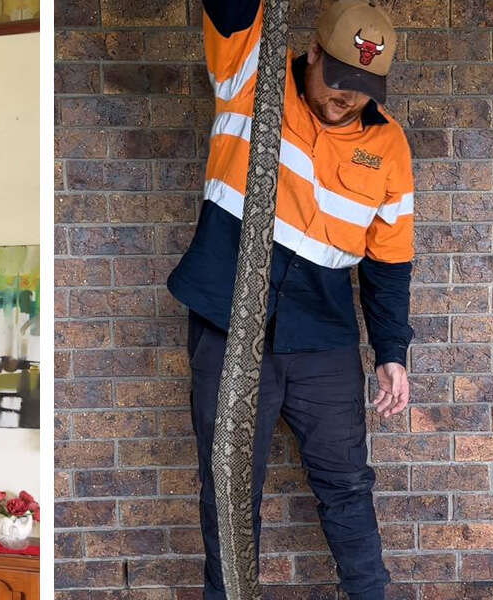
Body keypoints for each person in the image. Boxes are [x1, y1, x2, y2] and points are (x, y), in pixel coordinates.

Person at [166, 1, 414, 599]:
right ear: (313, 52)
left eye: (362, 87)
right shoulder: (251, 73)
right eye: (338, 78)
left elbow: (389, 261)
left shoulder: (387, 144)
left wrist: (391, 350)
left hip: (322, 337)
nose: (346, 97)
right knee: (229, 492)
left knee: (347, 486)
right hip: (229, 325)